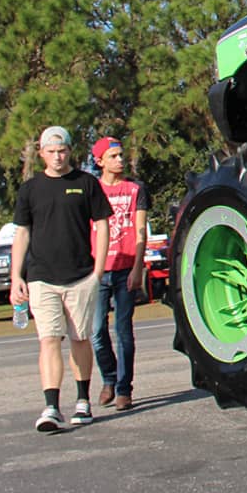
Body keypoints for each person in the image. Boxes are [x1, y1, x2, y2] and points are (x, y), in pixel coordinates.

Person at [10, 126, 112, 433]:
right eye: (51, 151)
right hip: (41, 277)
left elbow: (102, 225)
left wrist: (98, 271)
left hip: (81, 275)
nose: (58, 156)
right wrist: (16, 276)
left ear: (70, 151)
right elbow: (22, 233)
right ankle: (51, 407)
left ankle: (83, 401)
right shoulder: (30, 190)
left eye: (63, 150)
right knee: (49, 339)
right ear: (41, 153)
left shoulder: (86, 183)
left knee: (81, 339)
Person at [90, 136, 148, 412]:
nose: (120, 160)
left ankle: (125, 389)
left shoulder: (136, 189)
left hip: (126, 267)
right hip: (98, 270)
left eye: (122, 155)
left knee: (123, 329)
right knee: (97, 331)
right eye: (113, 156)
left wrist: (138, 267)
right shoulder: (91, 189)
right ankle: (109, 379)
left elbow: (140, 230)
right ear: (99, 161)